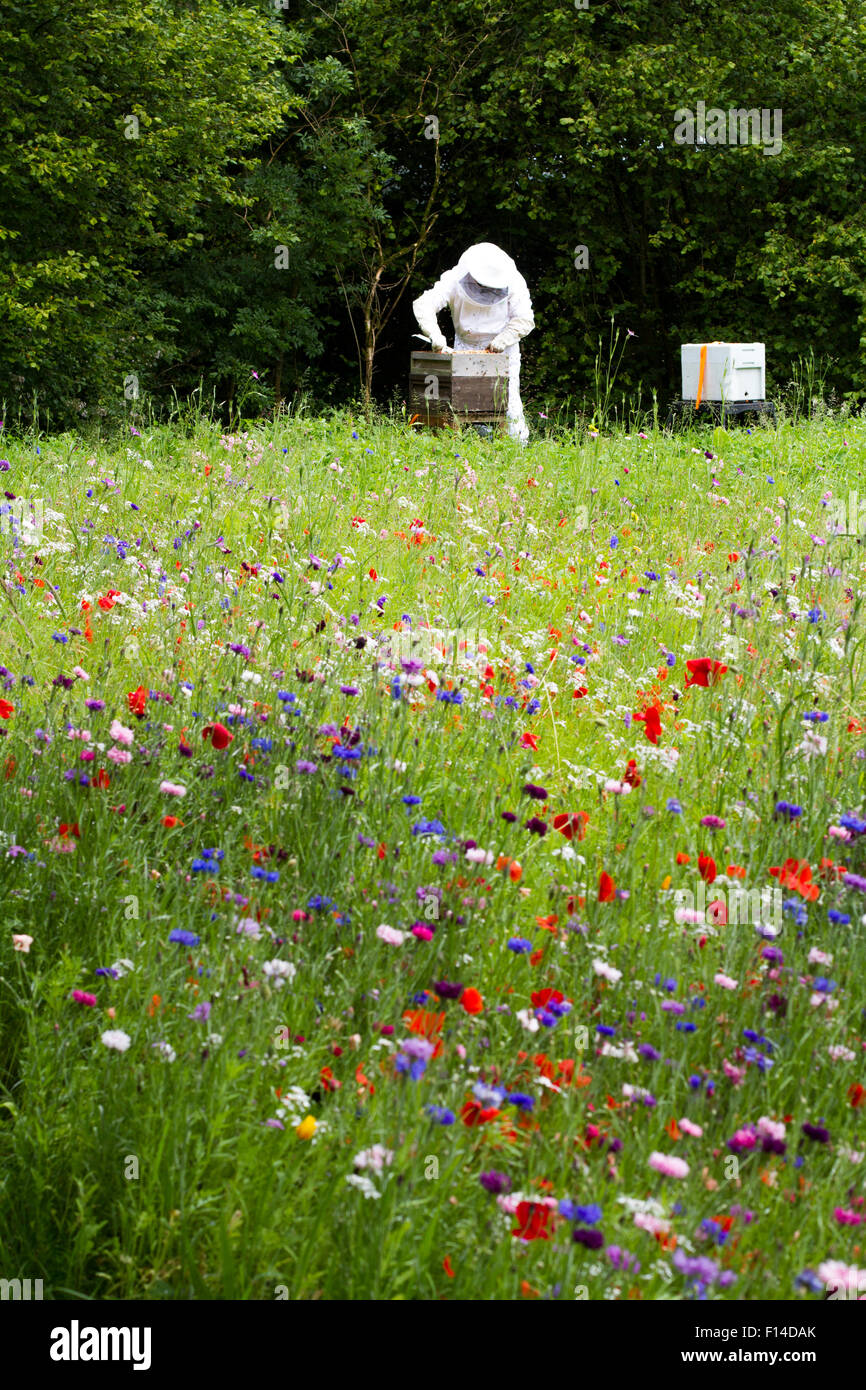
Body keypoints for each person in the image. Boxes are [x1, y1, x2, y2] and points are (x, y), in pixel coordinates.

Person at [412, 242, 534, 442]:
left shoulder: (514, 281)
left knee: (508, 406)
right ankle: (464, 451)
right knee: (461, 407)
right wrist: (434, 334)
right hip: (464, 349)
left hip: (503, 351)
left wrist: (503, 339)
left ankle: (515, 451)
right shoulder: (455, 278)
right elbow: (424, 303)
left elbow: (525, 319)